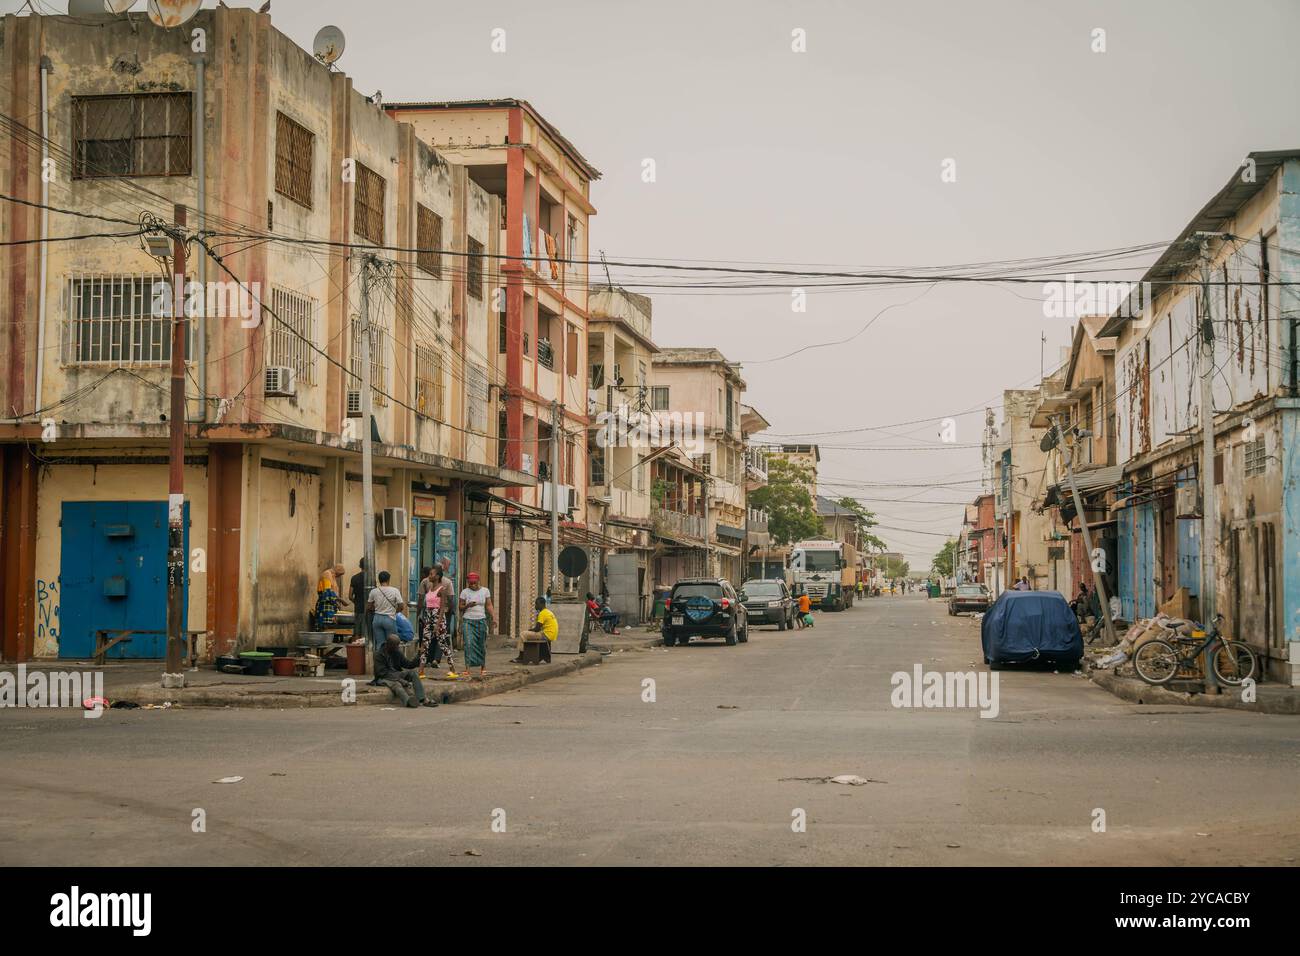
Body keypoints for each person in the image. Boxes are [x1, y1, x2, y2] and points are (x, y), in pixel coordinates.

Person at [375, 634, 438, 708]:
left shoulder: (396, 652)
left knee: (413, 673)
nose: (397, 647)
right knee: (397, 684)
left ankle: (422, 699)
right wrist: (400, 680)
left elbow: (408, 664)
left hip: (397, 674)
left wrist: (419, 655)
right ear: (389, 645)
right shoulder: (379, 654)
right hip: (383, 678)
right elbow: (382, 673)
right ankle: (408, 701)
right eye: (396, 646)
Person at [458, 571, 496, 679]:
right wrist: (467, 605)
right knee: (468, 644)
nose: (472, 585)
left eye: (474, 583)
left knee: (481, 644)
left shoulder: (485, 591)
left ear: (478, 581)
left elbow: (489, 605)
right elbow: (460, 607)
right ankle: (467, 668)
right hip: (468, 620)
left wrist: (494, 617)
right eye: (470, 583)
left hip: (481, 620)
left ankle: (483, 667)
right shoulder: (464, 592)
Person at [367, 570, 406, 650]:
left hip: (377, 619)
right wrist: (395, 612)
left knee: (380, 644)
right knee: (393, 644)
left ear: (379, 580)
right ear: (388, 579)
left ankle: (380, 661)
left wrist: (377, 609)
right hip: (389, 618)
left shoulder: (373, 591)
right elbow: (401, 606)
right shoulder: (395, 590)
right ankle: (391, 662)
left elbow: (369, 606)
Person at [313, 563, 348, 629]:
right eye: (340, 574)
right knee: (326, 626)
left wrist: (336, 603)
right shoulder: (327, 574)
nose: (339, 576)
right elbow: (327, 592)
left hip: (330, 604)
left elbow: (333, 591)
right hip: (325, 605)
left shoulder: (332, 576)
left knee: (331, 626)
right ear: (337, 571)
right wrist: (341, 600)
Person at [526, 596, 558, 664]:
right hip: (552, 634)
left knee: (523, 634)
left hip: (546, 635)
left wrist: (529, 630)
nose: (535, 606)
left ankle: (522, 655)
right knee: (530, 634)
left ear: (542, 604)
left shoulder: (542, 613)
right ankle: (543, 656)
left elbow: (537, 629)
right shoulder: (548, 612)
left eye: (537, 604)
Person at [349, 559, 370, 642]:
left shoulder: (354, 578)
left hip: (357, 608)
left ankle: (356, 651)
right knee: (365, 633)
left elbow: (350, 596)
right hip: (368, 609)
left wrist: (356, 602)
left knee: (356, 632)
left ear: (359, 566)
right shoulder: (370, 578)